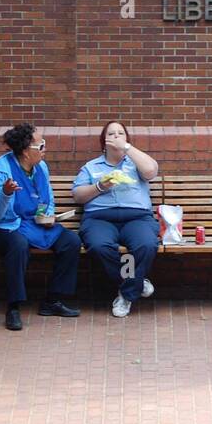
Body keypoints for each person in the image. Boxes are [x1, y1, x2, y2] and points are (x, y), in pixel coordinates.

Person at [0, 123, 82, 330]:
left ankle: (53, 300)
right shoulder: (1, 170)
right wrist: (5, 193)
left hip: (31, 223)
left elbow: (47, 197)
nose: (44, 149)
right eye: (40, 145)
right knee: (18, 244)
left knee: (71, 241)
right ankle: (13, 307)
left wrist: (47, 215)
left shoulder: (41, 167)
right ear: (26, 151)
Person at [72, 121, 161, 318]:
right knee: (98, 245)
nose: (116, 137)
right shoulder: (91, 167)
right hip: (99, 218)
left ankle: (127, 292)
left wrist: (127, 148)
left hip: (137, 218)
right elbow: (78, 196)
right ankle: (135, 282)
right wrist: (100, 187)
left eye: (121, 133)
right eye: (111, 134)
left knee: (146, 244)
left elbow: (151, 171)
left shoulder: (135, 163)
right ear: (104, 141)